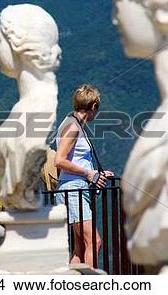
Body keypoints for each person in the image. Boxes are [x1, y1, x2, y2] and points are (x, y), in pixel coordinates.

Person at [54, 84, 114, 267]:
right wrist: (89, 173)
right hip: (74, 191)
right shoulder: (73, 128)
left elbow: (73, 160)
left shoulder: (70, 123)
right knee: (94, 242)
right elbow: (59, 160)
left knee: (80, 247)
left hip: (73, 189)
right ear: (94, 106)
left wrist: (96, 173)